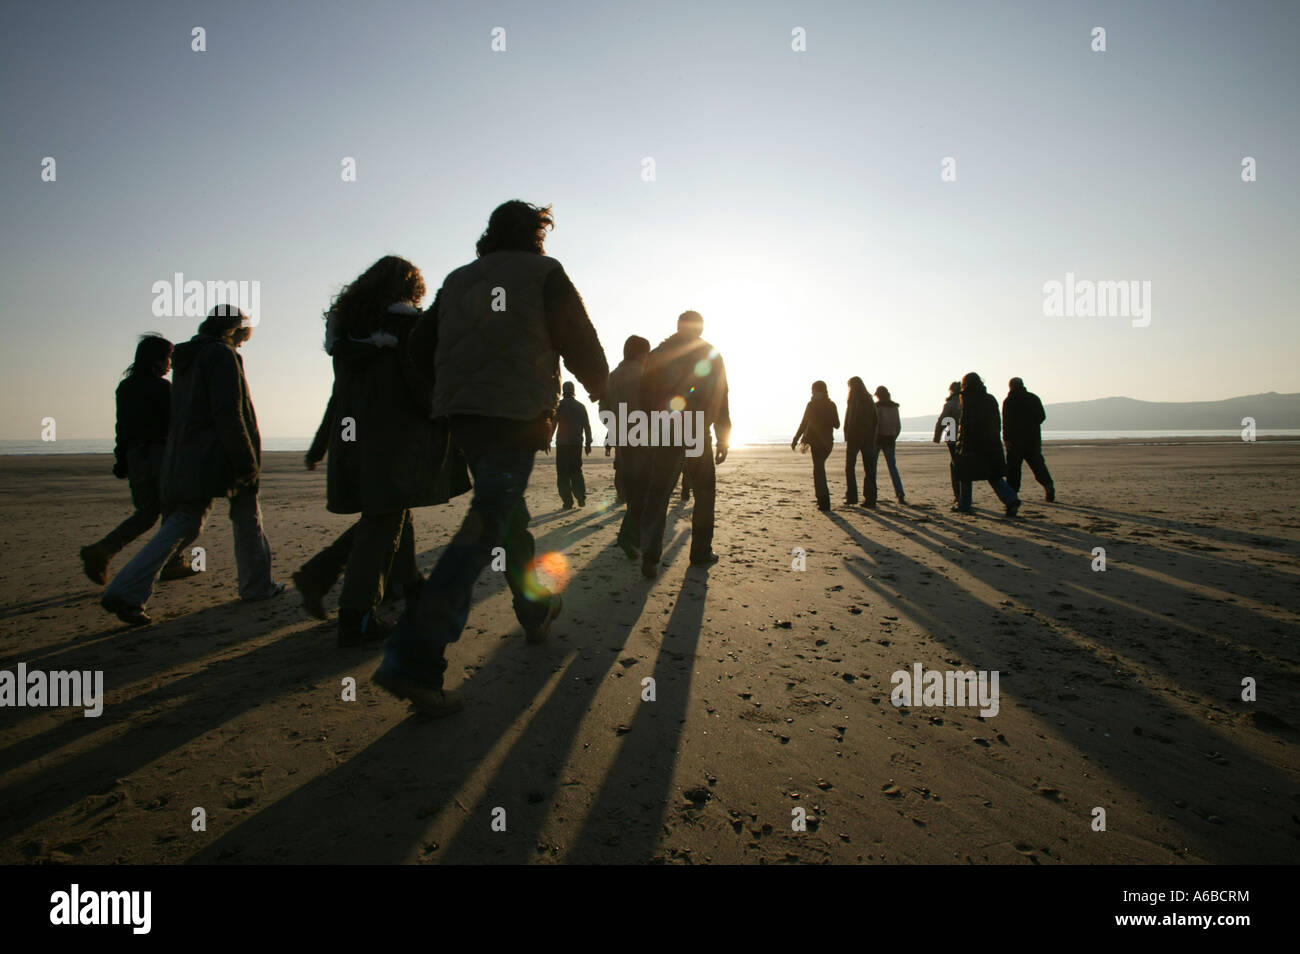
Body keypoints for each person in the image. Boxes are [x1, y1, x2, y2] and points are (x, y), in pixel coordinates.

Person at [373, 200, 608, 716]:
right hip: (515, 414)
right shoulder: (544, 271)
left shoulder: (458, 280)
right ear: (536, 234)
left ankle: (534, 609)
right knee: (483, 528)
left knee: (504, 514)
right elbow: (578, 336)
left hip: (467, 419)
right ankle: (413, 660)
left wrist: (447, 397)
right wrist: (603, 392)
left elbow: (419, 346)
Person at [300, 256, 471, 647]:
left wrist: (321, 442)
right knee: (383, 520)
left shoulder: (346, 335)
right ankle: (354, 613)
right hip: (397, 439)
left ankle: (406, 583)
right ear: (409, 289)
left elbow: (337, 395)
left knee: (390, 511)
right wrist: (445, 415)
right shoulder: (406, 326)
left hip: (354, 439)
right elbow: (417, 382)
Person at [99, 306, 284, 626]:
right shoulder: (222, 356)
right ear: (234, 332)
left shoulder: (186, 359)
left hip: (186, 454)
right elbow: (228, 412)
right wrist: (246, 460)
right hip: (221, 454)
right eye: (241, 340)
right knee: (245, 517)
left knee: (185, 522)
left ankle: (127, 589)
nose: (241, 346)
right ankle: (257, 585)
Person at [80, 335, 195, 585]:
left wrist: (121, 459)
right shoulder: (161, 388)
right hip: (159, 455)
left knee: (147, 513)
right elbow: (175, 425)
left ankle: (104, 551)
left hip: (135, 456)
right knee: (174, 511)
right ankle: (169, 561)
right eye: (167, 358)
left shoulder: (126, 387)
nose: (170, 364)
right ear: (156, 360)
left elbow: (121, 427)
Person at [634, 310, 730, 578]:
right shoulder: (711, 354)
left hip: (667, 429)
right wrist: (724, 435)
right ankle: (700, 552)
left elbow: (643, 396)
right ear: (700, 329)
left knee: (658, 493)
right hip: (697, 429)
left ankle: (650, 556)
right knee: (704, 492)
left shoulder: (658, 353)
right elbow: (721, 395)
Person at [953, 371, 1021, 516]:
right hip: (992, 442)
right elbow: (997, 420)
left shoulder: (967, 399)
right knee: (994, 475)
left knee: (965, 475)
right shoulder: (990, 398)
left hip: (972, 444)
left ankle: (964, 505)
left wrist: (962, 445)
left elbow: (967, 424)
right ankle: (1011, 499)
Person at [601, 335, 650, 508]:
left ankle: (628, 509)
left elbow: (603, 411)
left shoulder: (611, 377)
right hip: (645, 438)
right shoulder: (646, 374)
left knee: (627, 480)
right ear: (642, 355)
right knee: (645, 488)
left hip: (622, 438)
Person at [1003, 377, 1055, 502]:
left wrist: (1006, 438)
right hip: (1033, 439)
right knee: (1038, 465)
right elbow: (1042, 417)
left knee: (1014, 469)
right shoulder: (1033, 398)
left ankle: (1013, 494)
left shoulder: (1009, 401)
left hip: (1015, 441)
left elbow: (1006, 422)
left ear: (1010, 387)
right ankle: (1048, 485)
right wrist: (1032, 425)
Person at [791, 380, 840, 511]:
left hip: (818, 442)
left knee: (819, 470)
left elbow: (804, 423)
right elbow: (837, 424)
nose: (814, 393)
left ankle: (824, 502)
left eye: (814, 390)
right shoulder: (831, 405)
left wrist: (796, 439)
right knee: (819, 469)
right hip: (828, 442)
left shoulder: (812, 405)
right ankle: (821, 499)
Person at [554, 381, 592, 508]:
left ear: (564, 391)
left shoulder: (558, 406)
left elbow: (553, 424)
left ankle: (567, 502)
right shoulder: (580, 407)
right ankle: (581, 497)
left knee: (563, 473)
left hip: (562, 445)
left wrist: (547, 439)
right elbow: (587, 426)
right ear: (573, 391)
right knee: (576, 471)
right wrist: (588, 443)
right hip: (576, 445)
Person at [869, 385, 907, 506]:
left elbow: (875, 425)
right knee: (892, 467)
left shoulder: (877, 407)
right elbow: (898, 426)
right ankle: (900, 492)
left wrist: (873, 439)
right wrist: (893, 436)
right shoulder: (894, 407)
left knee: (872, 467)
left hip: (878, 439)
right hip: (890, 439)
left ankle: (872, 494)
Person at [842, 376, 876, 506]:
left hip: (855, 437)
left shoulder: (853, 399)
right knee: (869, 468)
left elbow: (850, 418)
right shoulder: (869, 398)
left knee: (850, 467)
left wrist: (847, 433)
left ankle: (852, 496)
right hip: (868, 437)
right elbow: (875, 418)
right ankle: (871, 498)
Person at [933, 381, 962, 504]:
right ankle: (962, 495)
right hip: (966, 437)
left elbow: (942, 421)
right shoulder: (965, 402)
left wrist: (937, 436)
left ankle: (958, 495)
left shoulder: (950, 404)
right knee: (962, 464)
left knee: (955, 466)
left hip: (953, 436)